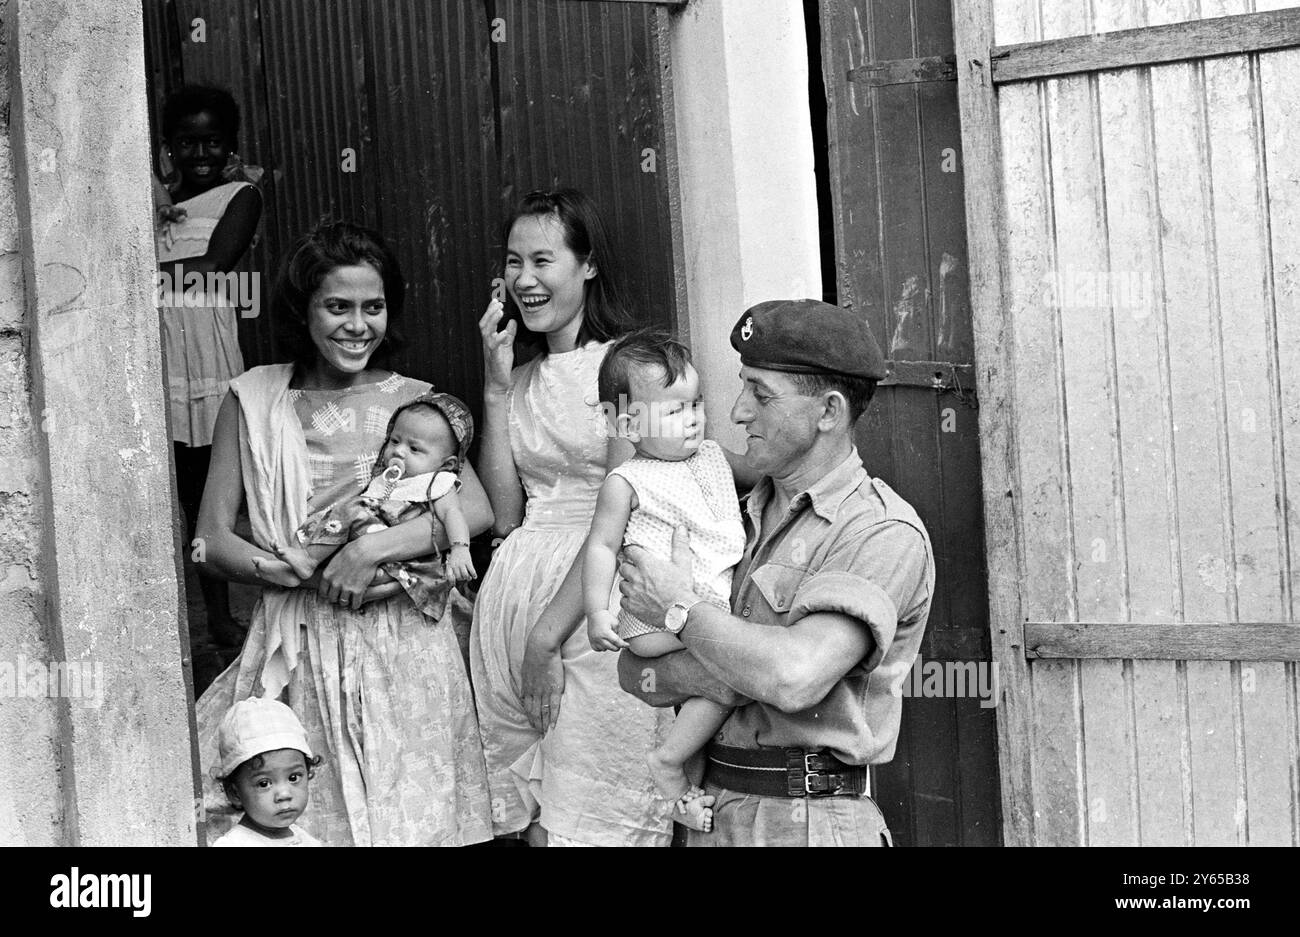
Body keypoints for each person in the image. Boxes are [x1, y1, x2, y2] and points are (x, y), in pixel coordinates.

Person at [194, 221, 494, 847]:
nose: (358, 325)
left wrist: (368, 549)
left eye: (374, 307)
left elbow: (476, 509)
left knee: (414, 820)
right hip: (299, 638)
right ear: (302, 310)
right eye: (337, 306)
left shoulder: (417, 407)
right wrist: (282, 570)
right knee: (308, 821)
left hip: (405, 641)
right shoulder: (253, 398)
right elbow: (213, 539)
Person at [617, 299, 935, 847]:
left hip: (807, 820)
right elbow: (634, 673)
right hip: (711, 812)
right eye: (742, 387)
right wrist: (736, 671)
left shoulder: (879, 531)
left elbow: (794, 678)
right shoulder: (718, 510)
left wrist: (681, 611)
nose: (738, 412)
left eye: (761, 395)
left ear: (829, 412)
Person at [471, 188, 675, 847]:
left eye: (542, 260)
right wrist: (497, 386)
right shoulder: (523, 377)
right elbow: (505, 509)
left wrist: (545, 637)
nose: (524, 280)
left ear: (587, 265)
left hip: (593, 606)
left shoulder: (630, 367)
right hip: (517, 589)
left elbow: (618, 514)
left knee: (592, 820)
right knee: (532, 824)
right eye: (512, 262)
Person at [582, 331, 745, 833]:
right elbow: (601, 548)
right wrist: (596, 613)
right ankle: (668, 763)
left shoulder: (713, 456)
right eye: (675, 411)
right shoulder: (627, 480)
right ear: (629, 423)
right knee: (726, 679)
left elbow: (760, 474)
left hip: (700, 607)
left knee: (703, 701)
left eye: (696, 403)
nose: (693, 417)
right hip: (653, 621)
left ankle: (688, 800)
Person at [155, 84, 263, 648]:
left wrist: (135, 271)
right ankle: (166, 619)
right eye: (187, 142)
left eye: (212, 141)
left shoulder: (239, 196)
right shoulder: (154, 203)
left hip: (204, 357)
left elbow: (215, 265)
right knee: (163, 492)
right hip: (159, 350)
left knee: (205, 495)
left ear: (229, 145)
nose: (200, 153)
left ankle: (219, 614)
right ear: (167, 146)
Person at [265, 392, 478, 616]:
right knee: (331, 516)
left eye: (414, 449)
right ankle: (305, 561)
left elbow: (453, 514)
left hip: (401, 552)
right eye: (395, 441)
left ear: (447, 464)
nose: (399, 451)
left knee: (352, 510)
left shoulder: (437, 481)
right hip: (367, 543)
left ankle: (308, 562)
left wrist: (460, 548)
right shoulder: (387, 478)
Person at [211, 697, 324, 847]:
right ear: (235, 793)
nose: (284, 794)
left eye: (293, 777)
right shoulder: (235, 844)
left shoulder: (307, 841)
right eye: (264, 784)